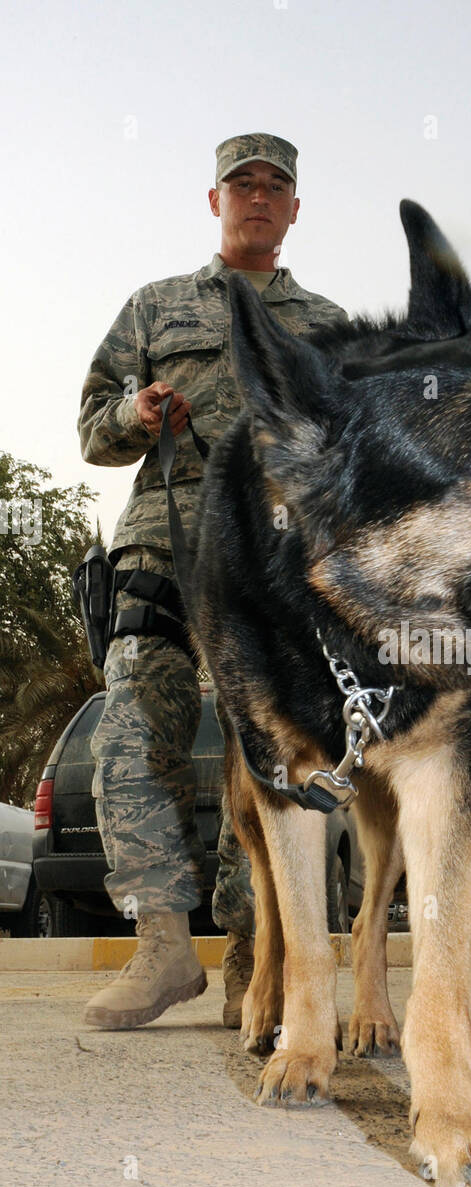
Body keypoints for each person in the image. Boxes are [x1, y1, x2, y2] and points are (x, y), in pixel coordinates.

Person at [77, 133, 349, 1030]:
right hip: (163, 545)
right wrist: (136, 408)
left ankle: (252, 955)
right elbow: (92, 429)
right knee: (129, 732)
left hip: (275, 562)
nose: (259, 197)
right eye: (243, 184)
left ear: (295, 209)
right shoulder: (154, 307)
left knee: (266, 751)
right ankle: (162, 947)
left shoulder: (327, 324)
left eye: (277, 186)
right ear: (215, 201)